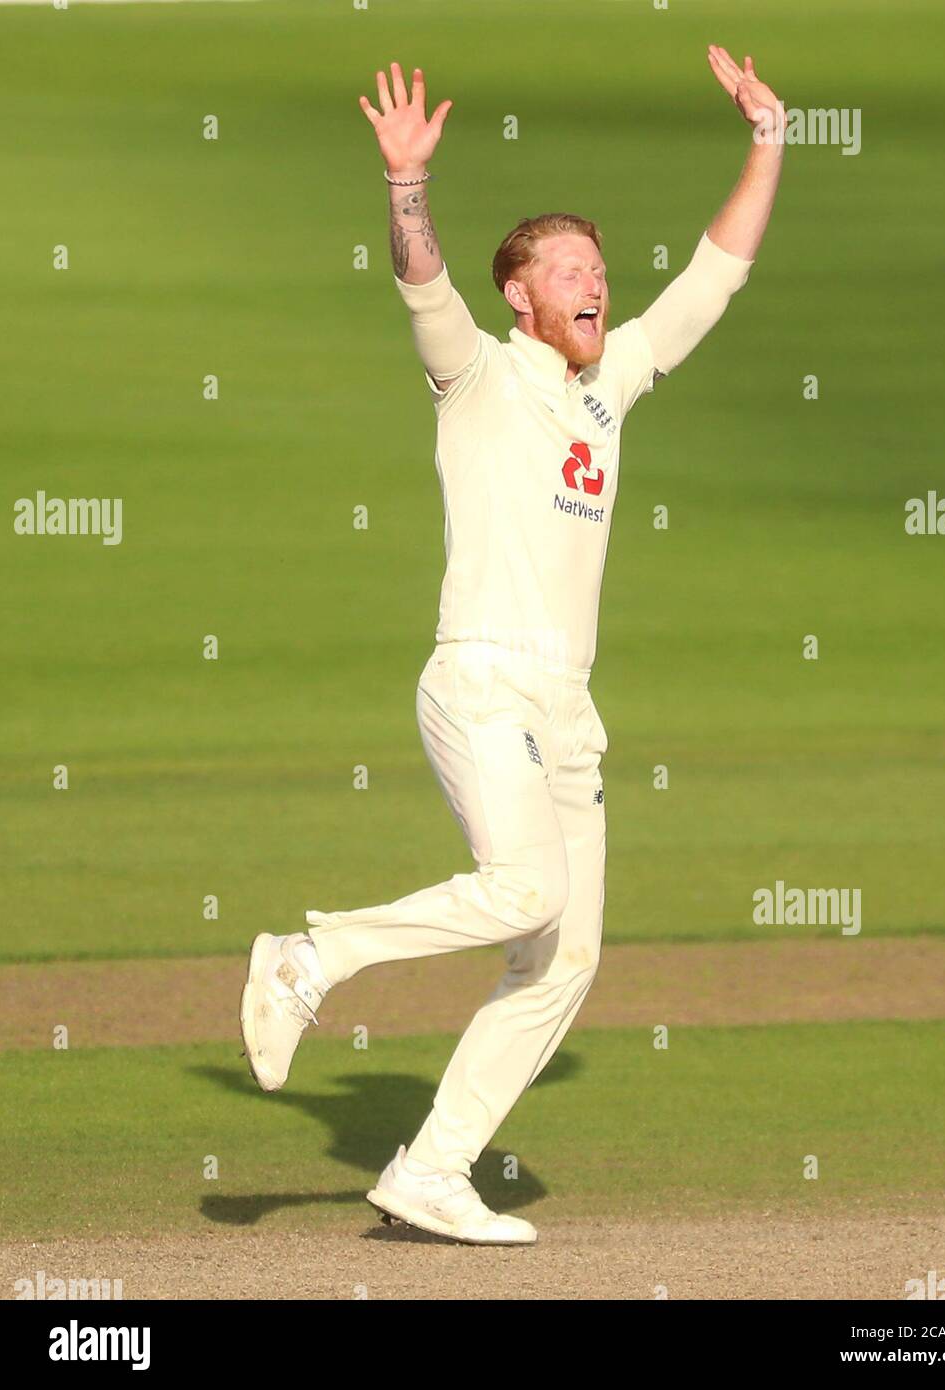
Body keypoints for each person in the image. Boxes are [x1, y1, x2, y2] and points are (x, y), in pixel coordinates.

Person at [241, 50, 784, 1246]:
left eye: (601, 267)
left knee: (562, 957)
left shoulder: (612, 383)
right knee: (526, 891)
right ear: (524, 298)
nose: (598, 282)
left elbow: (714, 279)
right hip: (481, 679)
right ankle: (309, 955)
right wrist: (406, 189)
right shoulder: (478, 377)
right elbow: (422, 280)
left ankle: (432, 1169)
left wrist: (769, 136)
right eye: (571, 271)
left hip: (566, 708)